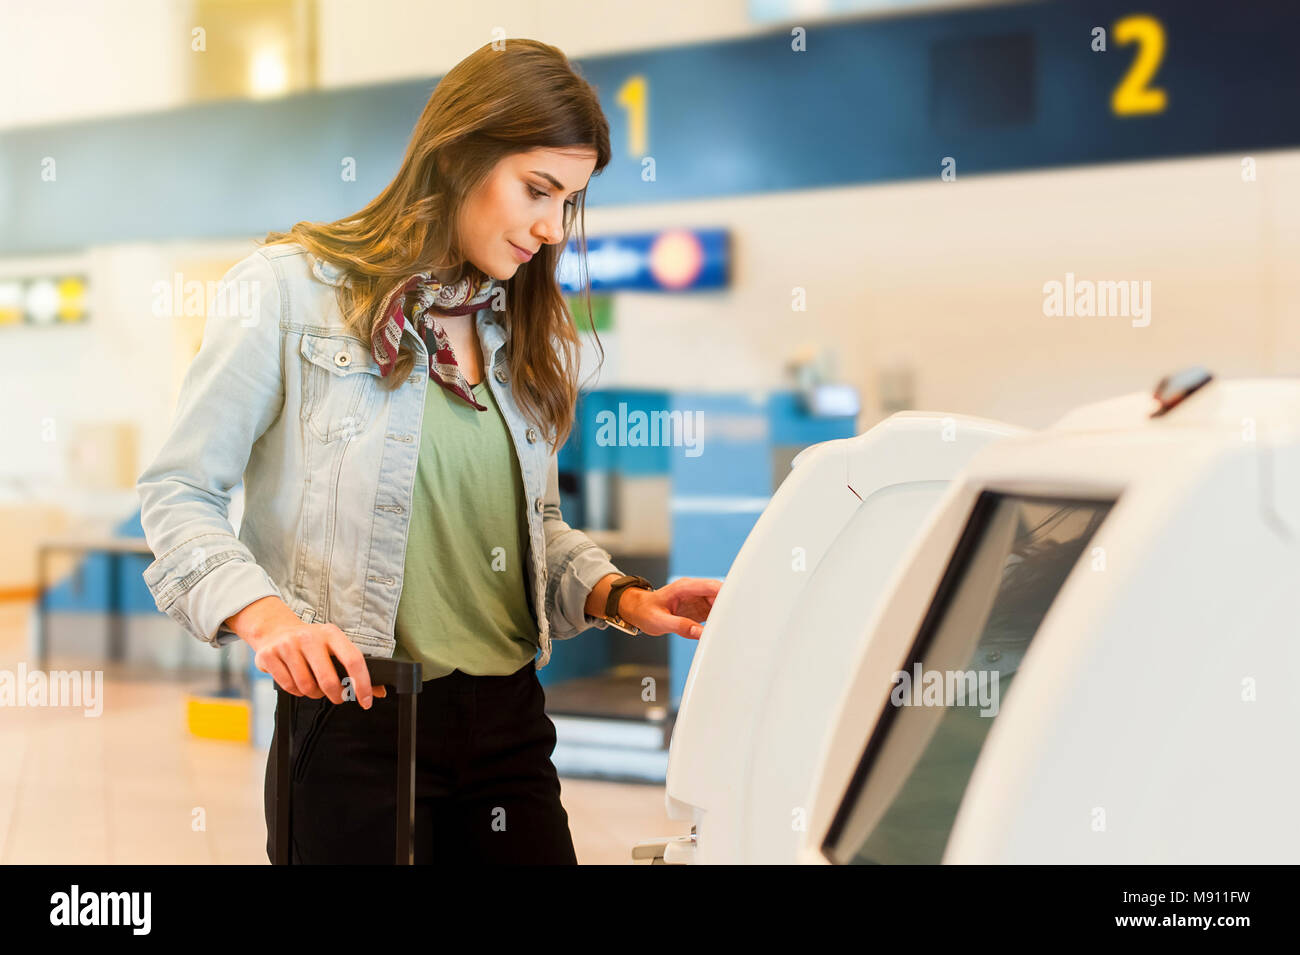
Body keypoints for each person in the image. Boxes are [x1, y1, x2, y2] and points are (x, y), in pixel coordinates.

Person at [136, 38, 721, 864]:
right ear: (459, 155)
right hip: (355, 726)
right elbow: (178, 491)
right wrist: (268, 619)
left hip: (509, 728)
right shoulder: (284, 292)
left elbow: (535, 529)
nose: (553, 228)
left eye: (571, 201)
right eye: (538, 189)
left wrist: (625, 598)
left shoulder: (516, 329)